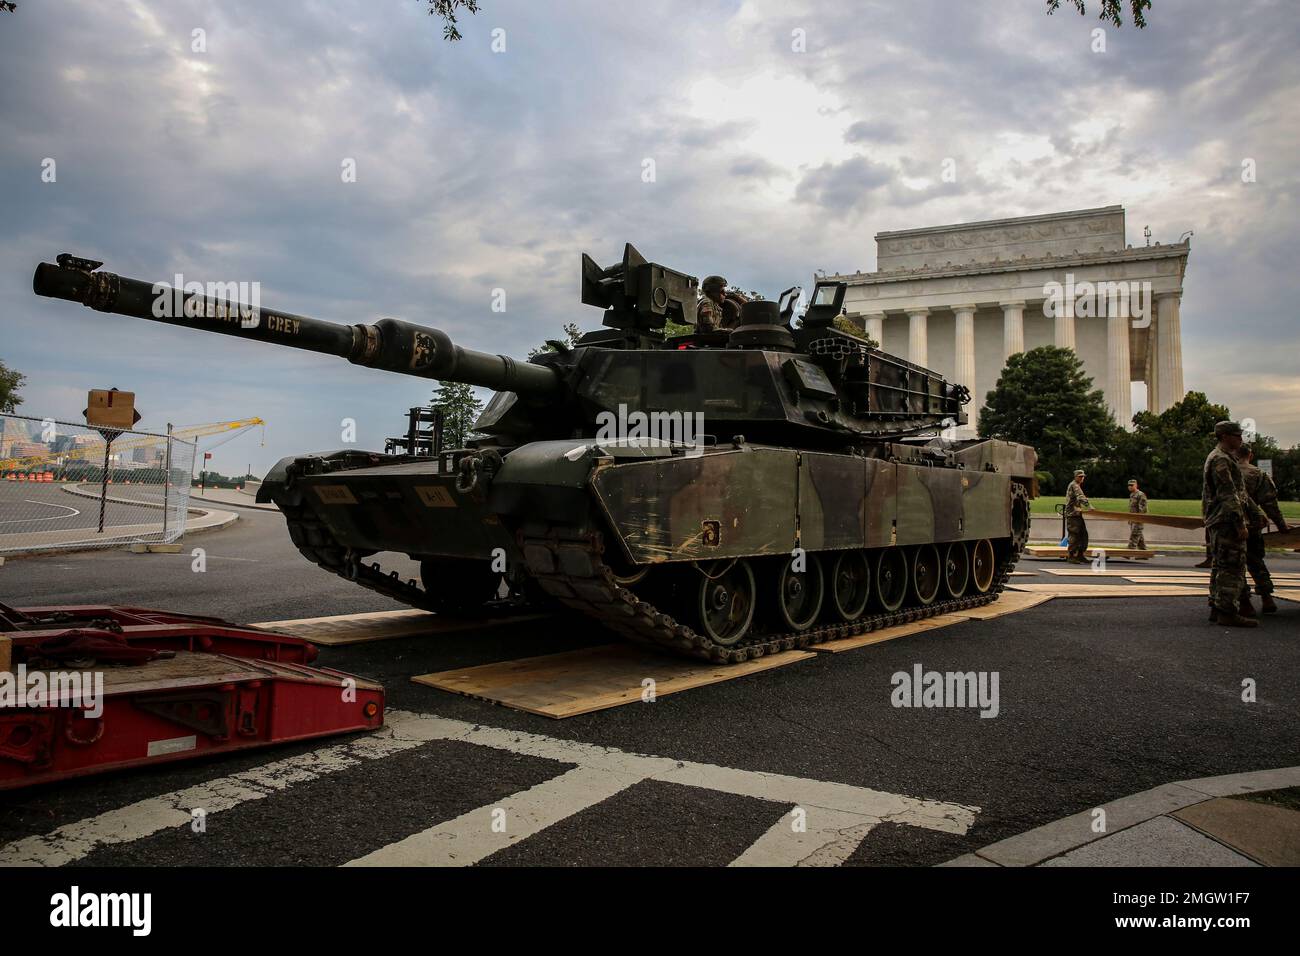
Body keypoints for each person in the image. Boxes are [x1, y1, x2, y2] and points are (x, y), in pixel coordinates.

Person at [1201, 421, 1256, 627]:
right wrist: (1240, 523)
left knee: (1220, 564)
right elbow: (1228, 495)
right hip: (1227, 521)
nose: (1240, 439)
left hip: (1220, 519)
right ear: (1225, 436)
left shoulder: (1219, 457)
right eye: (1236, 435)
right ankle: (1227, 611)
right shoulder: (1221, 460)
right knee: (1232, 566)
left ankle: (1217, 607)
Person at [1235, 443, 1288, 615]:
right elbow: (1270, 503)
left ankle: (1244, 602)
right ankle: (1266, 598)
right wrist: (1282, 526)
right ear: (1250, 456)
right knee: (1256, 562)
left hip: (1231, 525)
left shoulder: (1227, 472)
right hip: (1253, 525)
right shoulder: (1258, 474)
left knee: (1234, 565)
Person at [1064, 469, 1091, 563]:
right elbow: (1080, 497)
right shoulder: (1074, 485)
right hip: (1072, 514)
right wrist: (1089, 506)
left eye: (1083, 476)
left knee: (1083, 534)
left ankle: (1080, 555)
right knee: (1074, 534)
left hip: (1077, 514)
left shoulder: (1076, 485)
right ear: (1075, 477)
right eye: (1080, 476)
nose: (1082, 478)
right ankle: (1071, 555)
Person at [1127, 478, 1148, 550]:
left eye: (1132, 485)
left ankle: (1129, 552)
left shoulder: (1141, 495)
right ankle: (1143, 553)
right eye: (1129, 485)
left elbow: (1143, 509)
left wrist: (1138, 519)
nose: (1130, 487)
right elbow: (1131, 509)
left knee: (1134, 536)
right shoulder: (1132, 495)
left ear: (1136, 485)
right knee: (1139, 538)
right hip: (1133, 520)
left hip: (1138, 520)